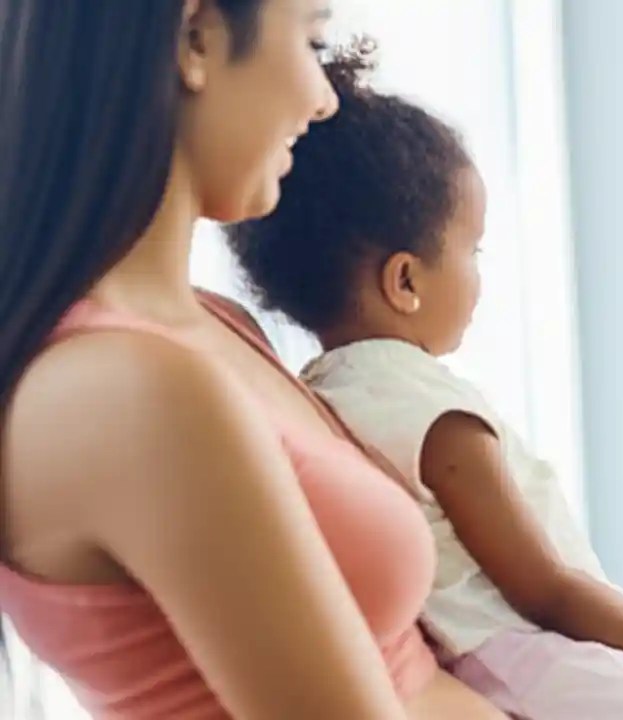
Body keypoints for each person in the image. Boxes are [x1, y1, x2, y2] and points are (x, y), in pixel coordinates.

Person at [0, 2, 502, 717]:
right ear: (198, 37)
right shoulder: (127, 391)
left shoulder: (211, 325)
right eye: (310, 38)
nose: (324, 97)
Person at [225, 42, 623, 719]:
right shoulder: (434, 409)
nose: (480, 275)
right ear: (406, 280)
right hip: (535, 660)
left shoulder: (316, 396)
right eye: (472, 249)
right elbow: (548, 590)